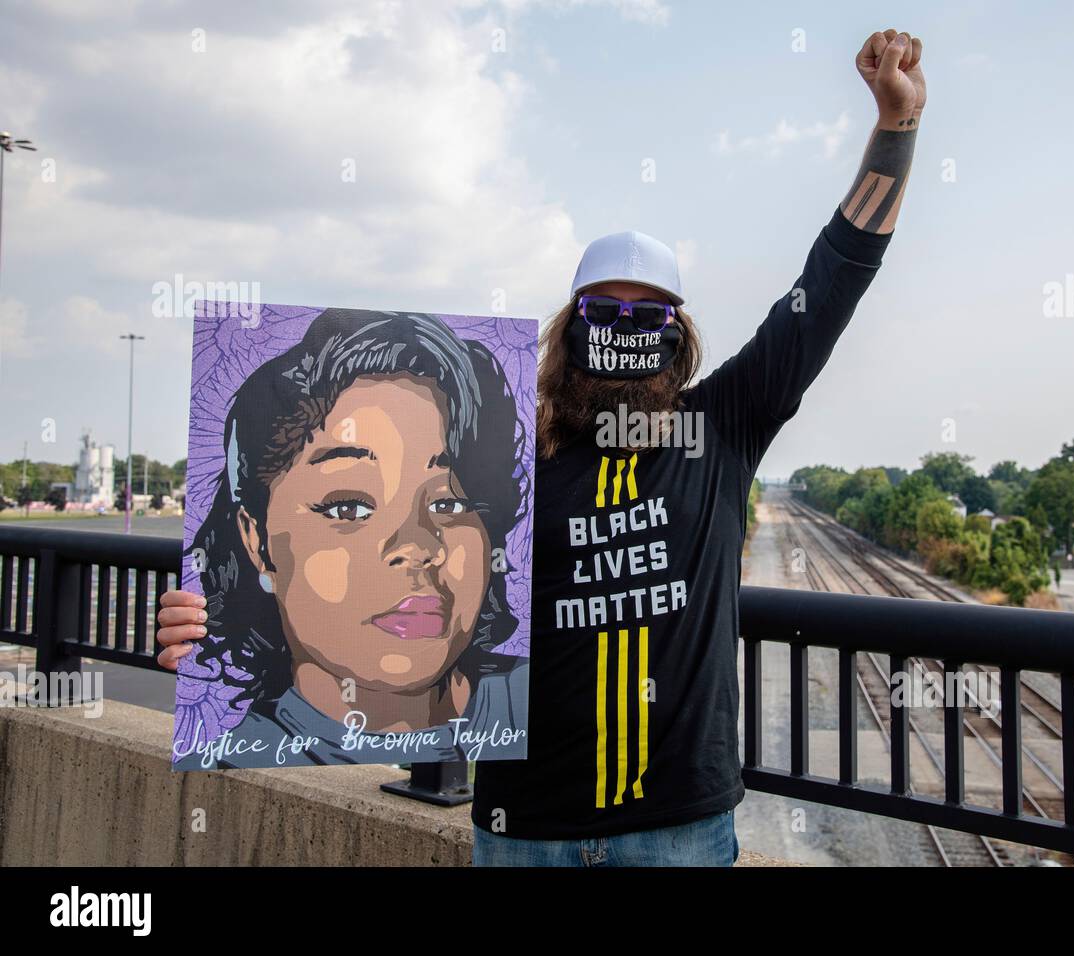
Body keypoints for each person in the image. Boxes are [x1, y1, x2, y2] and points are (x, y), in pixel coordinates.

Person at [157, 27, 924, 864]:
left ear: (678, 339)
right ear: (570, 330)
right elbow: (374, 562)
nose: (624, 330)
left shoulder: (724, 425)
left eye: (648, 316)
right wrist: (216, 632)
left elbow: (837, 274)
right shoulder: (497, 458)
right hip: (523, 834)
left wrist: (895, 127)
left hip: (679, 833)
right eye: (603, 313)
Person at [169, 308, 530, 770]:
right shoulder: (239, 770)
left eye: (449, 504)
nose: (417, 546)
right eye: (348, 508)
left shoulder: (544, 707)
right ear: (257, 541)